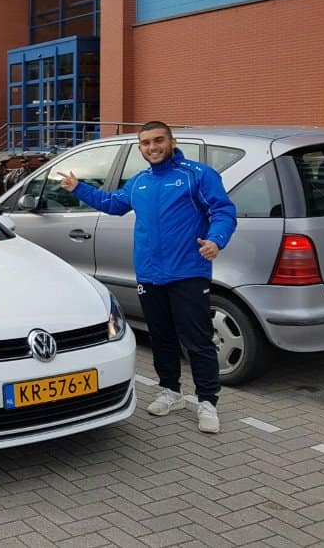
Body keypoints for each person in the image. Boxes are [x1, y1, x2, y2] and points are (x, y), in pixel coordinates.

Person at [58, 121, 236, 434]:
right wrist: (78, 188)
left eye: (158, 141)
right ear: (140, 148)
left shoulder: (197, 175)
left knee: (197, 339)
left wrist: (215, 239)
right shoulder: (140, 181)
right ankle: (170, 391)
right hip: (150, 275)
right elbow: (113, 204)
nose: (152, 148)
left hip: (188, 272)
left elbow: (223, 211)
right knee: (161, 336)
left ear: (172, 141)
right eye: (146, 143)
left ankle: (207, 401)